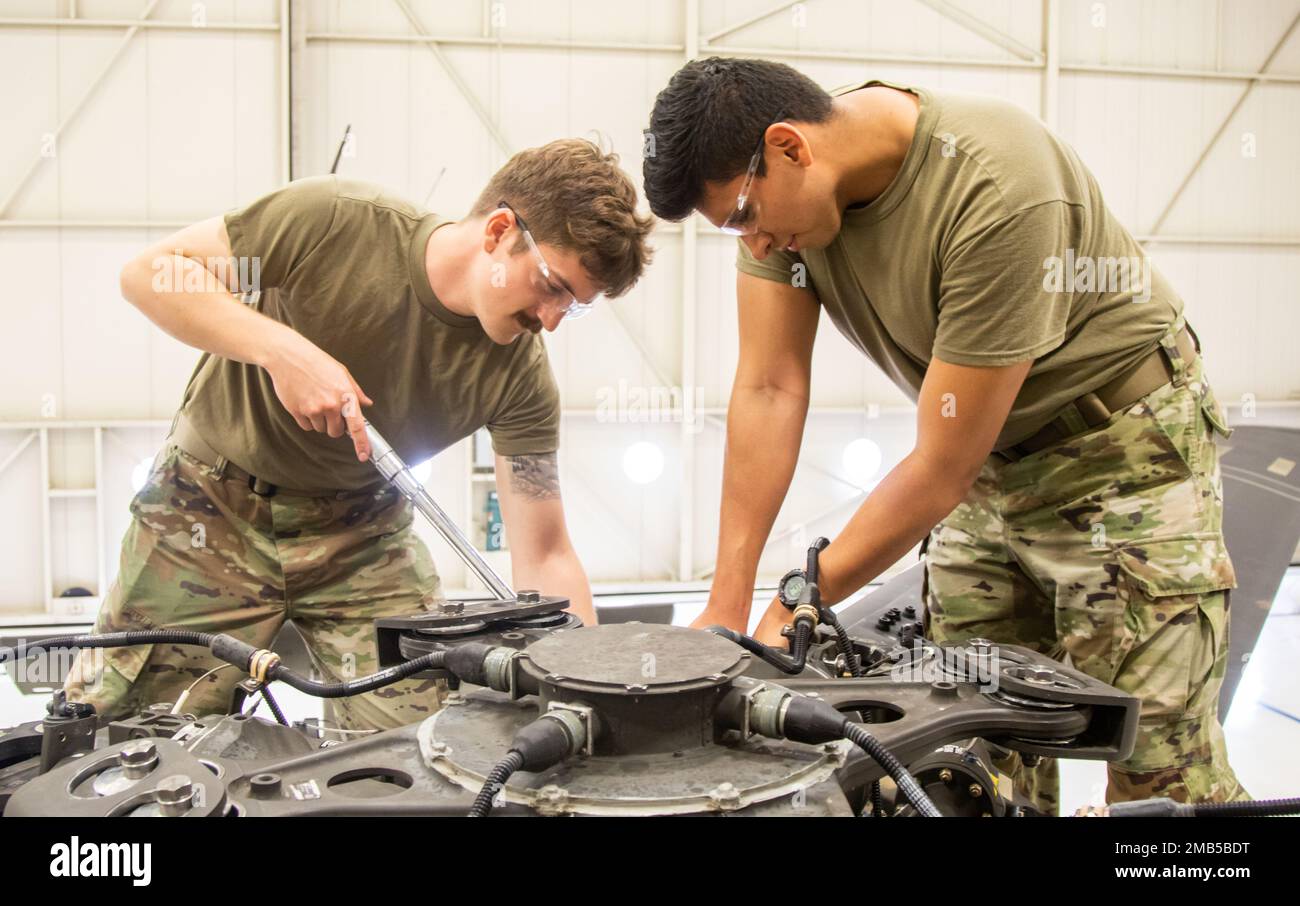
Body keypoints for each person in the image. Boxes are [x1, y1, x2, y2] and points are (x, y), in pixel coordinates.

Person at [642, 57, 1246, 810]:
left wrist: (794, 602)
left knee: (1159, 771)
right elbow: (770, 387)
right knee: (962, 752)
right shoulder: (783, 213)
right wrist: (729, 607)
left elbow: (939, 466)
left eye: (740, 217)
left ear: (790, 147)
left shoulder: (996, 186)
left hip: (1122, 461)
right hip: (989, 470)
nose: (752, 244)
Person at [65, 139, 653, 732]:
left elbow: (546, 552)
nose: (551, 319)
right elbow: (151, 274)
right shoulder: (335, 221)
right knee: (118, 743)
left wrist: (588, 685)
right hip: (209, 508)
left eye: (574, 307)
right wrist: (281, 351)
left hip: (364, 535)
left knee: (431, 747)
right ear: (500, 230)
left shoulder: (521, 375)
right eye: (552, 285)